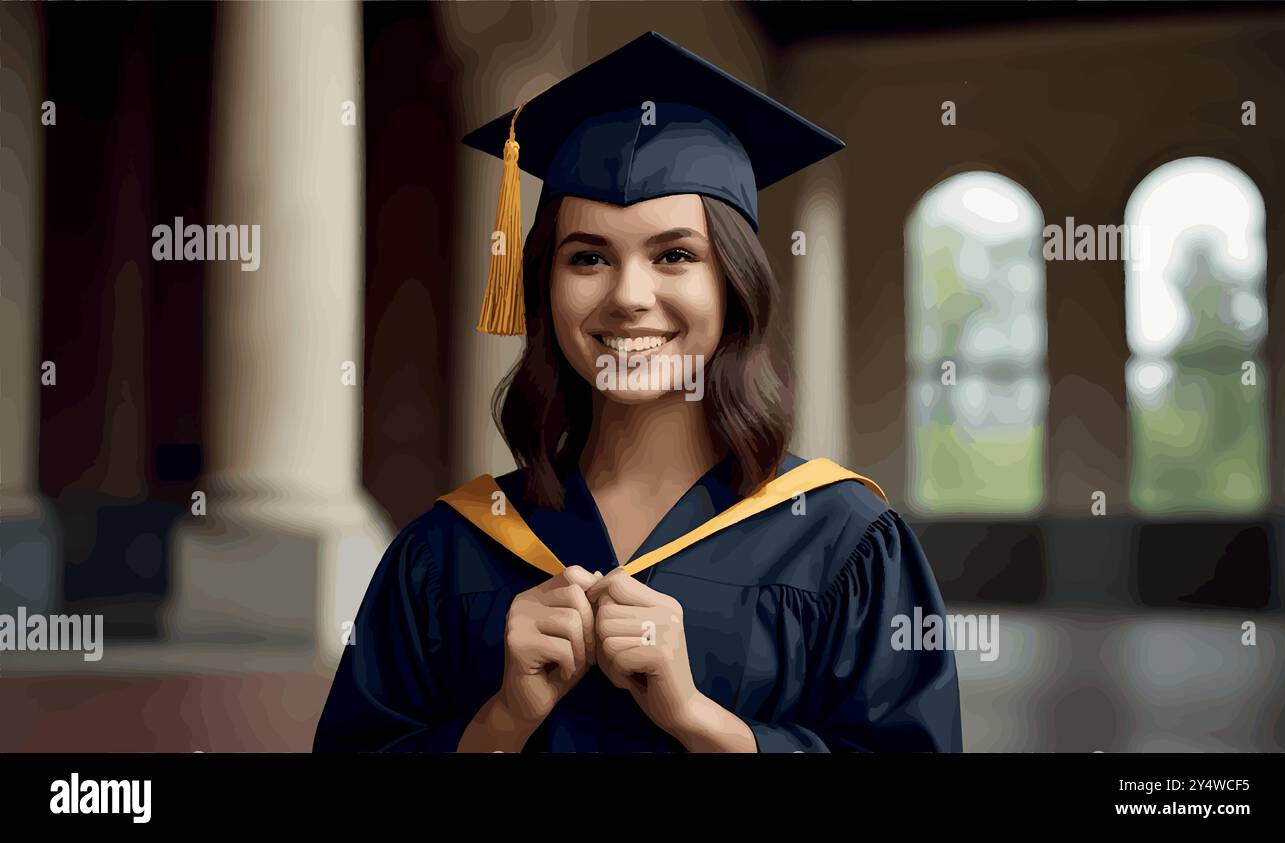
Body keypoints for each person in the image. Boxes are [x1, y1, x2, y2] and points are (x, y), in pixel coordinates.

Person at [314, 31, 962, 753]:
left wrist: (702, 720)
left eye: (675, 255)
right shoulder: (446, 550)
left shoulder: (844, 542)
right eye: (587, 256)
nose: (628, 296)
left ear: (733, 286)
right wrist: (498, 723)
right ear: (543, 287)